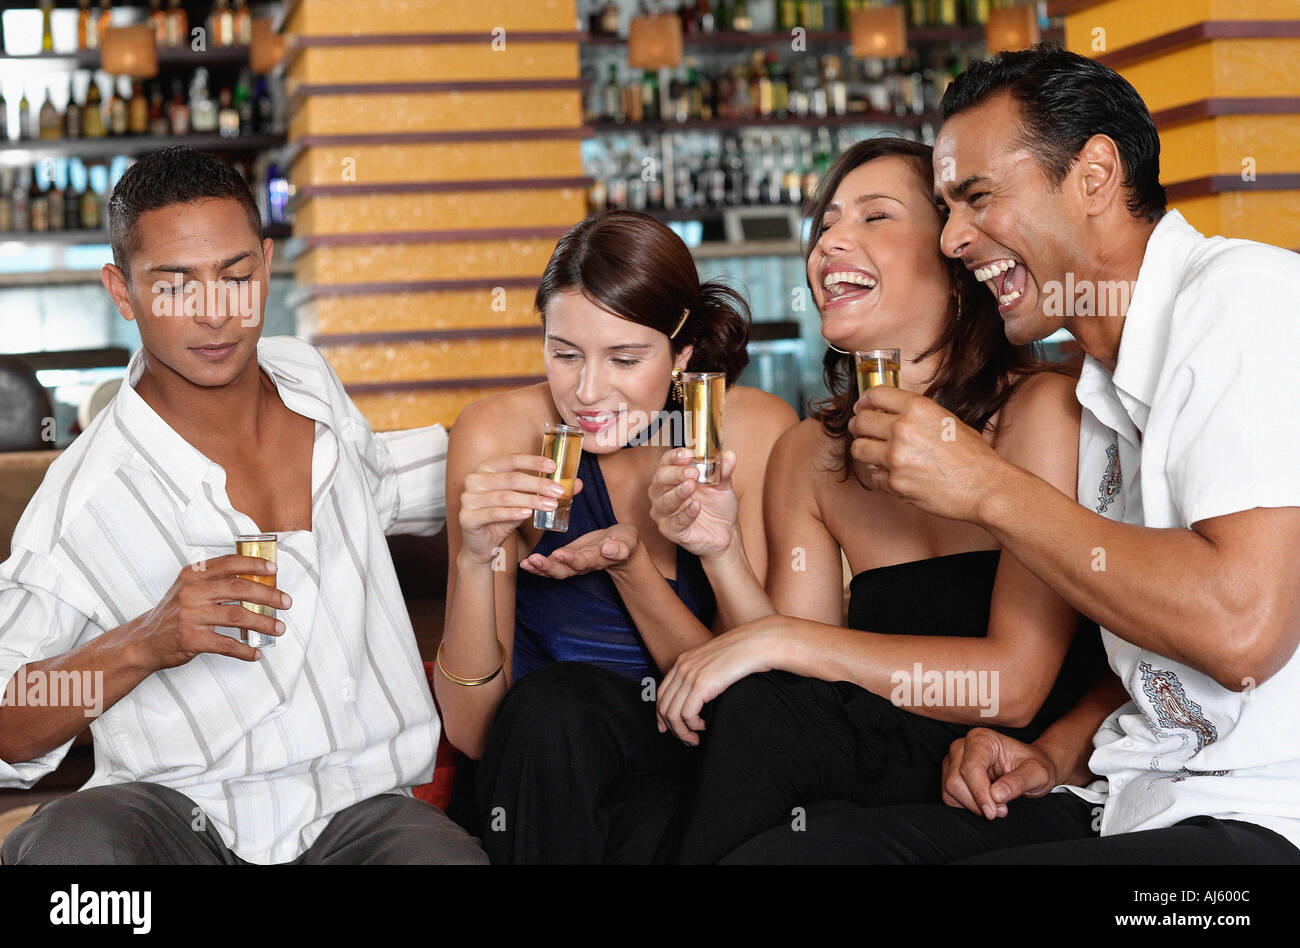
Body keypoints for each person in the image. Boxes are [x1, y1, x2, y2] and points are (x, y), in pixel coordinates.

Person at [773, 44, 1300, 864]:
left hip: (1266, 824)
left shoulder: (1242, 301)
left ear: (1093, 175)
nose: (952, 239)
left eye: (977, 198)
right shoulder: (1099, 384)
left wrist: (986, 488)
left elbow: (1239, 630)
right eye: (945, 208)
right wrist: (1052, 754)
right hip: (1129, 800)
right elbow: (1161, 661)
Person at [0, 147, 485, 865]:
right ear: (122, 291)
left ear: (264, 264)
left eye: (236, 276)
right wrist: (145, 642)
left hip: (357, 817)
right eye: (175, 285)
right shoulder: (86, 496)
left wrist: (565, 447)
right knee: (74, 851)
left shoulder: (308, 380)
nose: (215, 313)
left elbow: (384, 479)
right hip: (175, 822)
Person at [644, 136, 1108, 865]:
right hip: (884, 747)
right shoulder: (811, 452)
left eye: (874, 217)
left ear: (958, 263)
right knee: (756, 717)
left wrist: (778, 641)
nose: (832, 242)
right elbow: (796, 683)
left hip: (1008, 769)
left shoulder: (1038, 414)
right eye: (826, 223)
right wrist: (721, 551)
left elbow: (1012, 687)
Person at [435, 209, 797, 863]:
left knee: (657, 814)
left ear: (683, 352)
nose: (589, 391)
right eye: (564, 354)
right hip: (543, 780)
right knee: (557, 707)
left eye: (625, 359)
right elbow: (472, 731)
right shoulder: (498, 433)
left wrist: (632, 573)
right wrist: (473, 555)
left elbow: (762, 705)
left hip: (699, 767)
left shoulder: (745, 430)